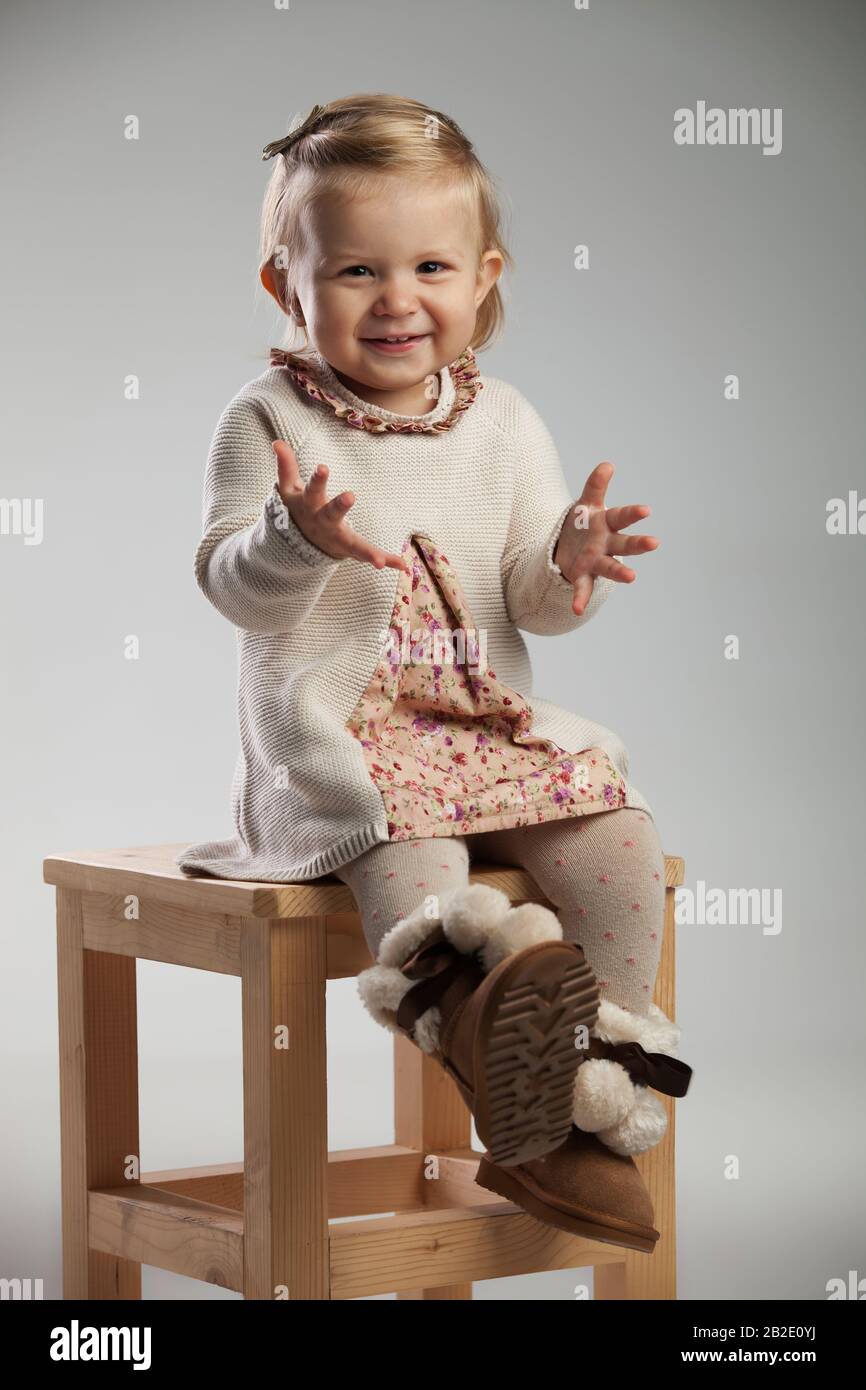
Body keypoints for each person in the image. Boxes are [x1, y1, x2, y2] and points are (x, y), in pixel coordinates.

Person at [177, 93, 691, 1253]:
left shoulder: (503, 422)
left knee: (618, 832)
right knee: (416, 862)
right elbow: (225, 584)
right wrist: (293, 540)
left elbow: (527, 603)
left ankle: (591, 1092)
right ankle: (492, 1048)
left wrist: (566, 565)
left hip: (480, 728)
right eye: (354, 270)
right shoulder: (265, 418)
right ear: (286, 287)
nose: (396, 299)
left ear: (484, 274)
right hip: (344, 743)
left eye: (428, 266)